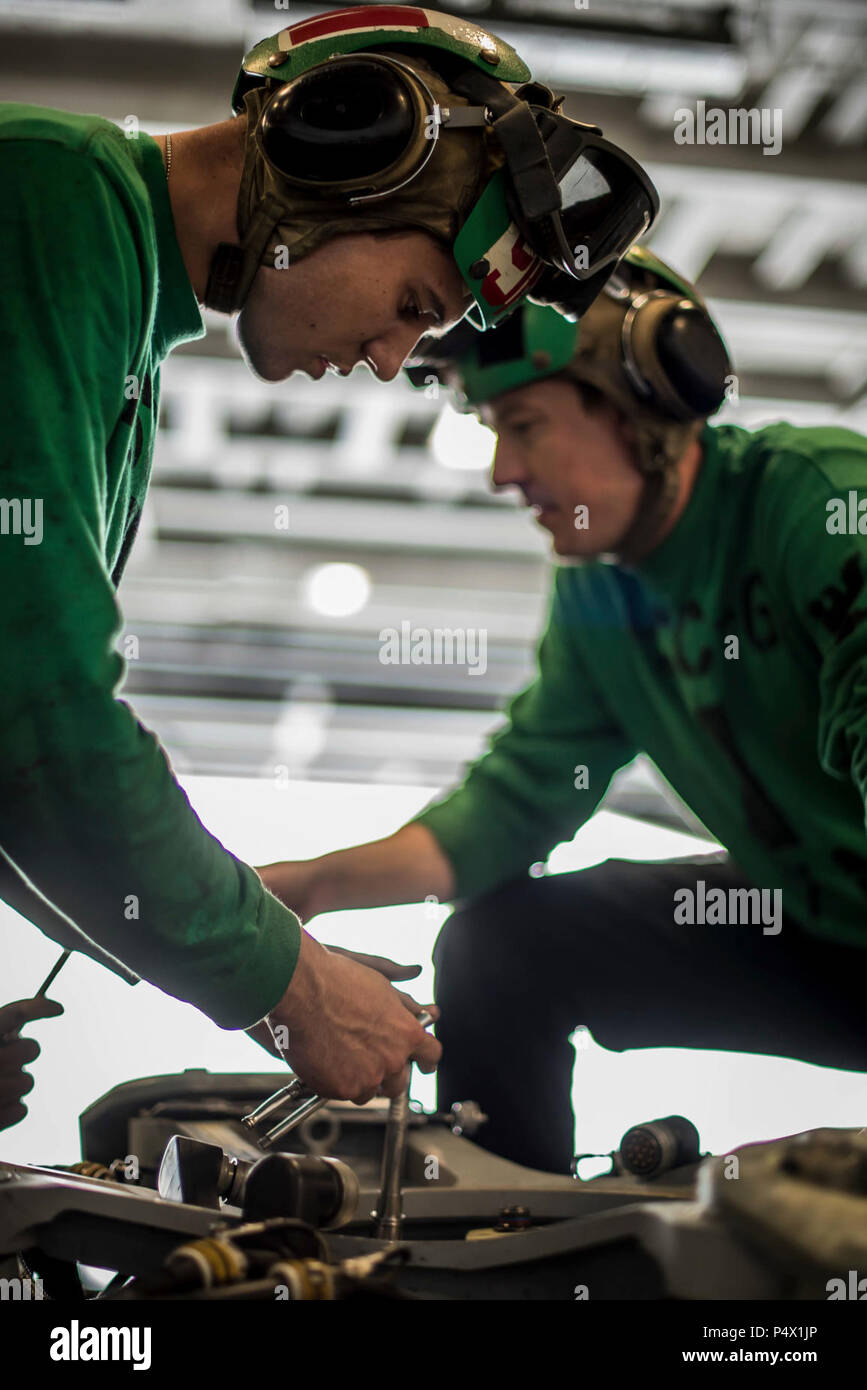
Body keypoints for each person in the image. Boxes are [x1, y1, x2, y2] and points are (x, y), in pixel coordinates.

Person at [0, 7, 656, 1120]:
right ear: (338, 151)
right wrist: (292, 982)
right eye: (412, 306)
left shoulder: (129, 323)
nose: (391, 358)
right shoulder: (46, 200)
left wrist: (262, 958)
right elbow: (40, 718)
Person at [259, 247, 867, 1173]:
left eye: (525, 425)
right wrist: (302, 888)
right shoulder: (600, 596)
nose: (503, 471)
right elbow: (511, 806)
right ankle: (499, 1245)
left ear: (643, 405)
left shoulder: (816, 502)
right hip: (822, 935)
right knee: (507, 946)